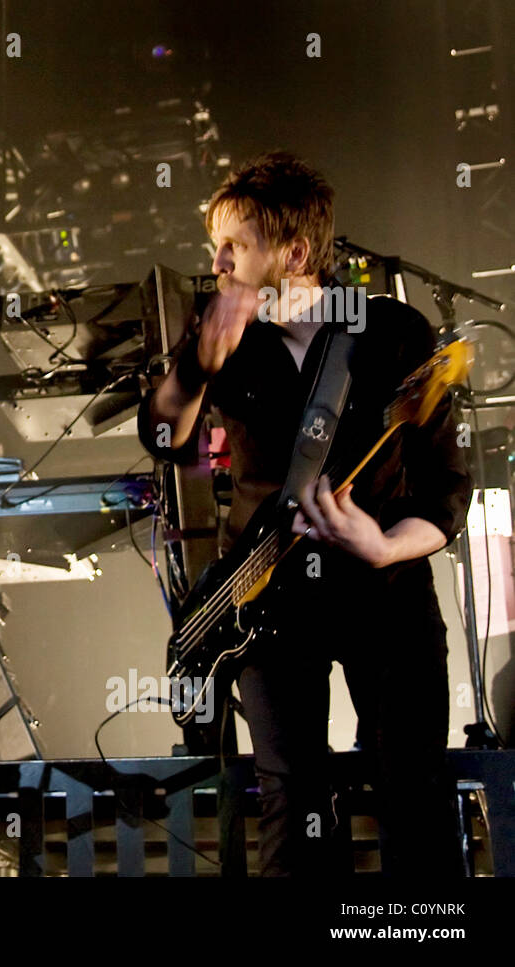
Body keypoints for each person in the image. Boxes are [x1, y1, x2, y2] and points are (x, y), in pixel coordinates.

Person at [139, 152, 472, 876]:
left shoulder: (390, 332)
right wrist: (199, 361)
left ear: (292, 253)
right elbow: (163, 438)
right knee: (292, 797)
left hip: (386, 594)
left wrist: (384, 546)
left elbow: (446, 490)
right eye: (215, 247)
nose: (219, 262)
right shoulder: (219, 333)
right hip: (267, 597)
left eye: (237, 246)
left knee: (410, 785)